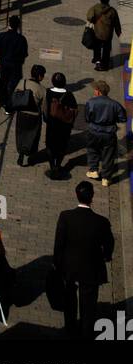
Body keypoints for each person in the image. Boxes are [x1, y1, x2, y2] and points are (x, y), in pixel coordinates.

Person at [53, 180, 114, 340]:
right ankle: (86, 334)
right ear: (92, 197)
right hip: (91, 269)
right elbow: (109, 245)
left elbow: (59, 244)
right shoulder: (101, 222)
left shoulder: (65, 216)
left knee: (70, 302)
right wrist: (106, 256)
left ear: (76, 195)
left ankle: (70, 329)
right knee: (88, 306)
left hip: (69, 268)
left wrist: (58, 265)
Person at [84, 80, 126, 187]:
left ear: (98, 91)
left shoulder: (91, 102)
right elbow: (123, 118)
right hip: (108, 133)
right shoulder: (115, 104)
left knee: (92, 150)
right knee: (108, 155)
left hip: (94, 131)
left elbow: (87, 117)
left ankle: (94, 170)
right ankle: (106, 178)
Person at [44, 72, 78, 177]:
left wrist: (46, 119)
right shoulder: (69, 95)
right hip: (65, 127)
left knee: (50, 146)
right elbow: (75, 111)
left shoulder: (48, 92)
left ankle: (52, 166)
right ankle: (58, 166)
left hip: (52, 125)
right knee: (62, 147)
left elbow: (45, 108)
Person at [0, 15, 28, 113]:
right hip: (16, 67)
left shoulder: (1, 36)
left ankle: (3, 101)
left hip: (4, 65)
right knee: (12, 86)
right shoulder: (22, 39)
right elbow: (24, 54)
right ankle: (9, 106)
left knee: (3, 83)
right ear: (18, 25)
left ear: (9, 24)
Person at [14, 64, 46, 167]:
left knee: (20, 134)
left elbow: (15, 94)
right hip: (34, 116)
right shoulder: (42, 89)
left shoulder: (21, 82)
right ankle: (31, 157)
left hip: (21, 114)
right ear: (40, 76)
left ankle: (21, 154)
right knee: (33, 136)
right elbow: (43, 107)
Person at [86, 0, 122, 71]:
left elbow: (89, 17)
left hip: (97, 33)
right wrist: (118, 32)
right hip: (108, 35)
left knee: (97, 47)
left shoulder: (95, 8)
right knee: (106, 49)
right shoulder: (112, 11)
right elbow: (116, 23)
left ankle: (97, 61)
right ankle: (105, 65)